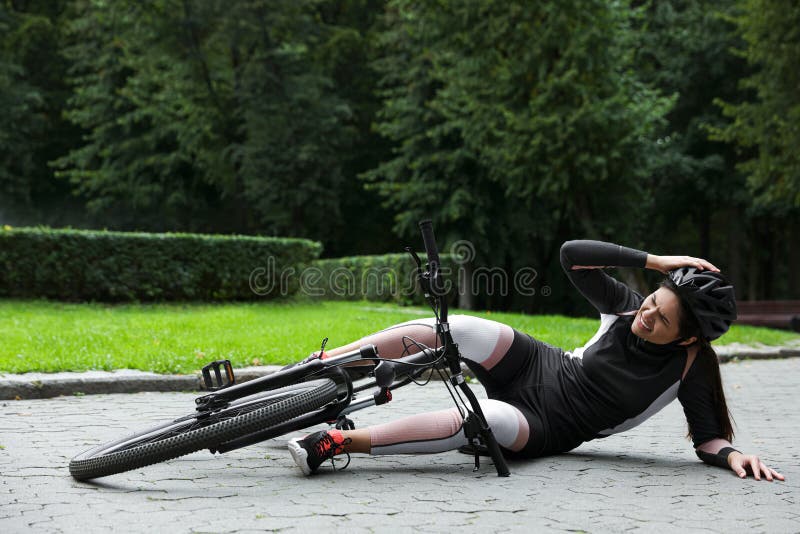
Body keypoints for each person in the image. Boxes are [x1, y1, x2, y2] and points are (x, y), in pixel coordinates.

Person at [287, 240, 785, 482]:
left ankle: (337, 441)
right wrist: (655, 263)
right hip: (538, 365)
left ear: (685, 340)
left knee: (482, 420)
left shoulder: (690, 368)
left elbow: (708, 437)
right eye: (654, 300)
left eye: (662, 320)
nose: (647, 315)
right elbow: (572, 255)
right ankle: (334, 363)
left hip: (544, 424)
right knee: (461, 327)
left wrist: (732, 456)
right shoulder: (626, 306)